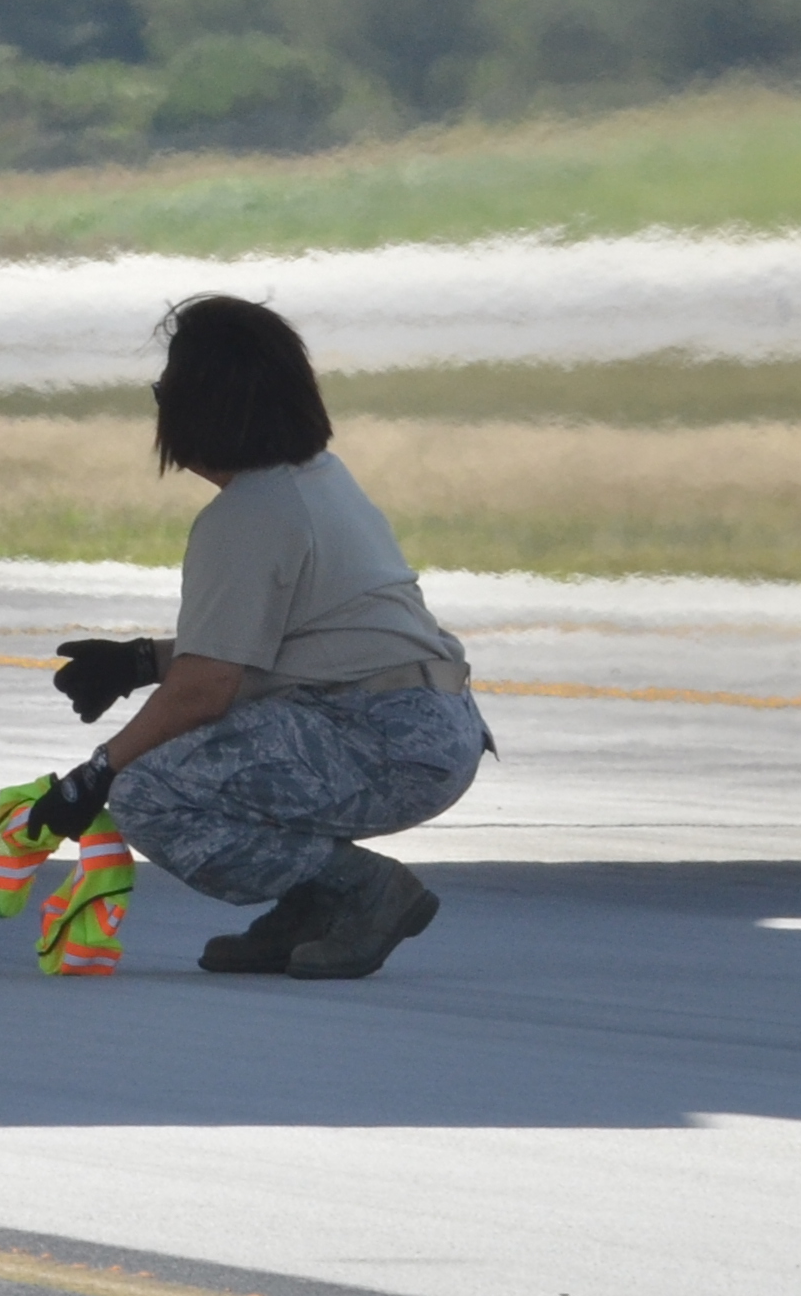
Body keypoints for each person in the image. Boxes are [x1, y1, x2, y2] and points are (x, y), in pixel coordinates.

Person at [27, 295, 490, 980]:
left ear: (200, 407)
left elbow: (206, 691)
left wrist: (97, 774)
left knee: (152, 793)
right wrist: (138, 662)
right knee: (203, 757)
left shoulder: (247, 516)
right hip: (423, 725)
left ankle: (359, 890)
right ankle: (314, 907)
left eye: (167, 390)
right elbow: (287, 645)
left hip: (386, 737)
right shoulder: (315, 482)